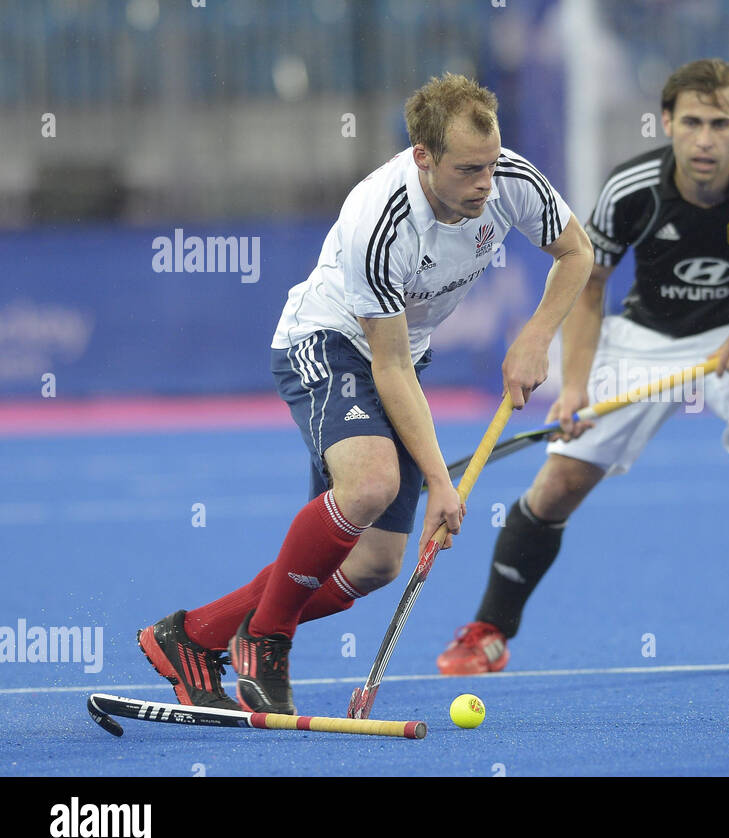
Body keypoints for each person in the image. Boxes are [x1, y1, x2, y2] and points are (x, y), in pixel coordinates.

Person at [136, 74, 593, 713]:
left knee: (375, 564)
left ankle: (191, 636)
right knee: (372, 484)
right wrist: (440, 480)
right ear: (423, 156)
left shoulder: (507, 180)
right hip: (325, 343)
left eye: (491, 166)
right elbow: (390, 366)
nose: (485, 186)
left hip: (403, 355)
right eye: (468, 171)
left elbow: (577, 252)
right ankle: (265, 640)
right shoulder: (380, 219)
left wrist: (536, 337)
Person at [437, 58, 729, 675]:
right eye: (690, 122)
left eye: (718, 123)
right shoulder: (630, 190)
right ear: (666, 122)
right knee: (557, 488)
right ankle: (488, 629)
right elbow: (590, 281)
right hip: (645, 340)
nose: (704, 139)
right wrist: (574, 385)